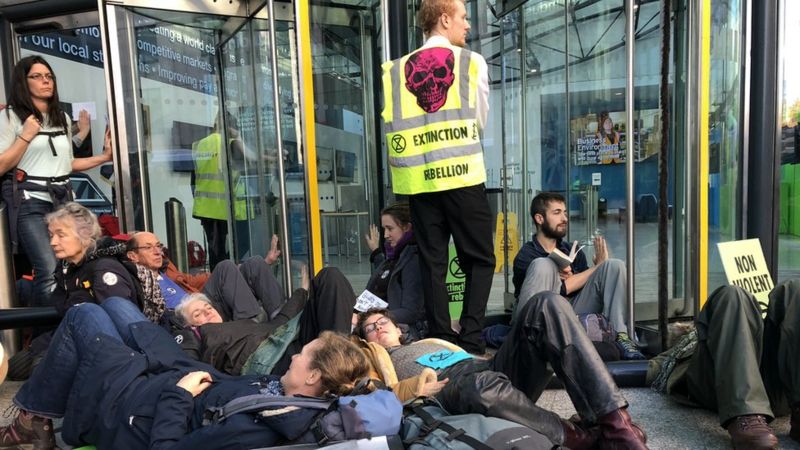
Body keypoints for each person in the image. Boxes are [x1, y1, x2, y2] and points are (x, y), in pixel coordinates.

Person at [0, 296, 370, 450]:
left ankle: (34, 419)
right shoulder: (285, 394)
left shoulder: (258, 428)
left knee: (85, 314)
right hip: (173, 372)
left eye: (302, 356)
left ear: (312, 379)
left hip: (133, 409)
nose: (292, 358)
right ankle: (37, 419)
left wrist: (180, 392)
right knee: (115, 304)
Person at [354, 300, 649, 450]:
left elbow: (477, 361)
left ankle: (616, 428)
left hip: (485, 370)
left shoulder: (426, 340)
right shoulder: (379, 359)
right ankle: (583, 439)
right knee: (480, 387)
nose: (379, 327)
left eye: (383, 321)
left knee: (546, 303)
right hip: (446, 388)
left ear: (397, 327)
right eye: (371, 327)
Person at [381, 0, 494, 354]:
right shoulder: (470, 62)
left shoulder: (395, 70)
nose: (468, 25)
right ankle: (472, 340)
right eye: (463, 17)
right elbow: (479, 120)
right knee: (479, 259)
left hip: (420, 182)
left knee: (433, 262)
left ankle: (442, 340)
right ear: (444, 18)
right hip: (461, 175)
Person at [0, 55, 113, 309]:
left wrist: (104, 157)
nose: (45, 81)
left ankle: (61, 325)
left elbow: (66, 164)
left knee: (68, 264)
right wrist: (25, 136)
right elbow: (2, 165)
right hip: (30, 202)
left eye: (49, 76)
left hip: (62, 201)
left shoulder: (60, 116)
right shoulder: (10, 117)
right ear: (23, 81)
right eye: (37, 76)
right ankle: (43, 336)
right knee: (48, 268)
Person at [648, 281, 800, 450]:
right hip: (721, 386)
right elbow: (655, 367)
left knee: (793, 289)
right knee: (731, 294)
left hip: (777, 390)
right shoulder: (688, 343)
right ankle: (745, 414)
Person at [513, 192, 644, 360]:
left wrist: (599, 269)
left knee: (614, 265)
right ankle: (529, 342)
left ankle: (622, 336)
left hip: (571, 311)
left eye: (565, 212)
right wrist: (596, 267)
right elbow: (561, 289)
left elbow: (582, 287)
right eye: (557, 212)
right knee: (543, 264)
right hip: (537, 319)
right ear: (539, 218)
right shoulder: (526, 254)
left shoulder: (571, 250)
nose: (565, 218)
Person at [171, 265, 358, 375]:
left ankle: (340, 356)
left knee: (329, 275)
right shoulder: (196, 336)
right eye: (198, 314)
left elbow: (280, 321)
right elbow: (188, 368)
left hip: (284, 335)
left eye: (208, 308)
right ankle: (341, 366)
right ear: (190, 326)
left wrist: (303, 290)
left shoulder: (238, 326)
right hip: (266, 359)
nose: (207, 313)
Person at [126, 232, 283, 324]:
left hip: (202, 301)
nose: (157, 251)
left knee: (255, 263)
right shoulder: (136, 280)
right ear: (132, 255)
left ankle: (282, 319)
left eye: (158, 246)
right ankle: (249, 328)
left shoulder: (165, 270)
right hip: (187, 318)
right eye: (148, 247)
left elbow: (193, 280)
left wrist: (265, 262)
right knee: (225, 266)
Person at [47, 202, 138, 316]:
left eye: (61, 235)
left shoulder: (103, 268)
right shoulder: (65, 270)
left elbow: (117, 321)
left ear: (85, 234)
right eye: (51, 236)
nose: (53, 242)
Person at [191, 112, 250, 270]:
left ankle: (218, 281)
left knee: (215, 251)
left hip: (206, 208)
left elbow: (194, 178)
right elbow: (250, 162)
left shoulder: (199, 144)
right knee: (240, 245)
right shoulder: (230, 143)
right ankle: (228, 279)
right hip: (225, 208)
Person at [364, 202, 426, 338]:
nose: (385, 235)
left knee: (331, 278)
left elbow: (411, 311)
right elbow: (388, 275)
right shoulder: (395, 255)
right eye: (384, 229)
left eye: (390, 228)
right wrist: (376, 252)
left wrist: (370, 318)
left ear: (407, 228)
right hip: (373, 319)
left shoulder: (413, 259)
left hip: (391, 328)